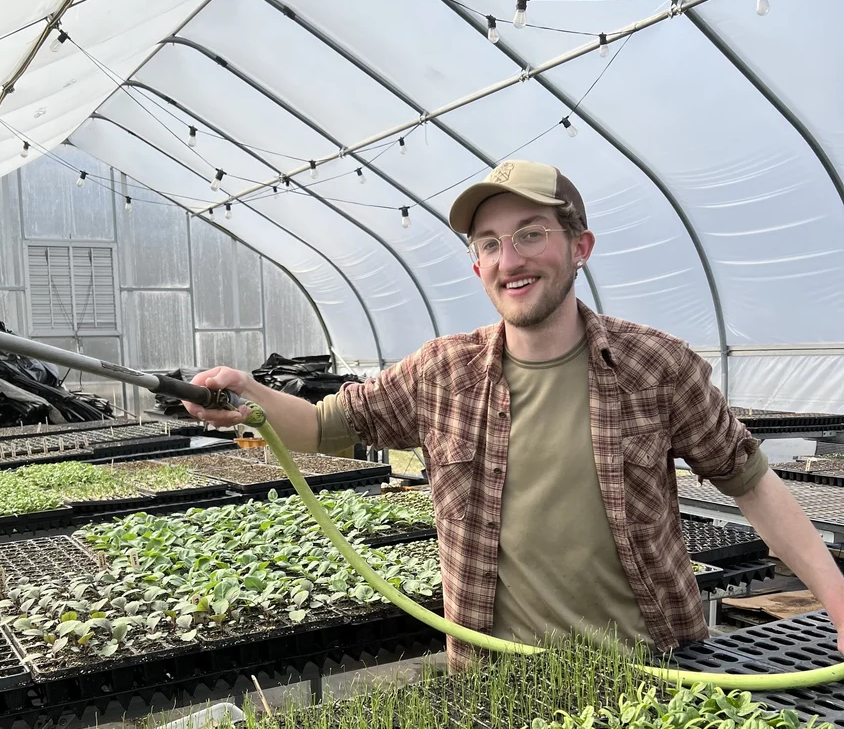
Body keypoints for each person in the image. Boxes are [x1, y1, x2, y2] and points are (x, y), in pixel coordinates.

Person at [186, 158, 844, 669]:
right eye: (490, 243)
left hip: (654, 673)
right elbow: (322, 425)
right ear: (476, 265)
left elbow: (749, 481)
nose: (511, 259)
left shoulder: (655, 366)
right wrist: (250, 395)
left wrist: (837, 599)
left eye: (532, 234)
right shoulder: (441, 372)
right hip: (498, 687)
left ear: (580, 246)